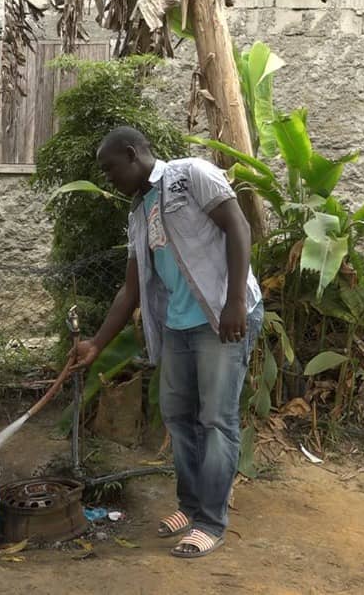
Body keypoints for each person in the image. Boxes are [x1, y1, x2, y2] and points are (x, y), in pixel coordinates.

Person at [70, 126, 264, 559]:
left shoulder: (190, 174)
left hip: (221, 318)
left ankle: (211, 522)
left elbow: (239, 228)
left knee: (216, 419)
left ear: (132, 153)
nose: (108, 179)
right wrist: (97, 345)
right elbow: (130, 290)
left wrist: (234, 301)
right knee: (179, 417)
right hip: (178, 326)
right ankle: (191, 506)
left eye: (110, 169)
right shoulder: (138, 213)